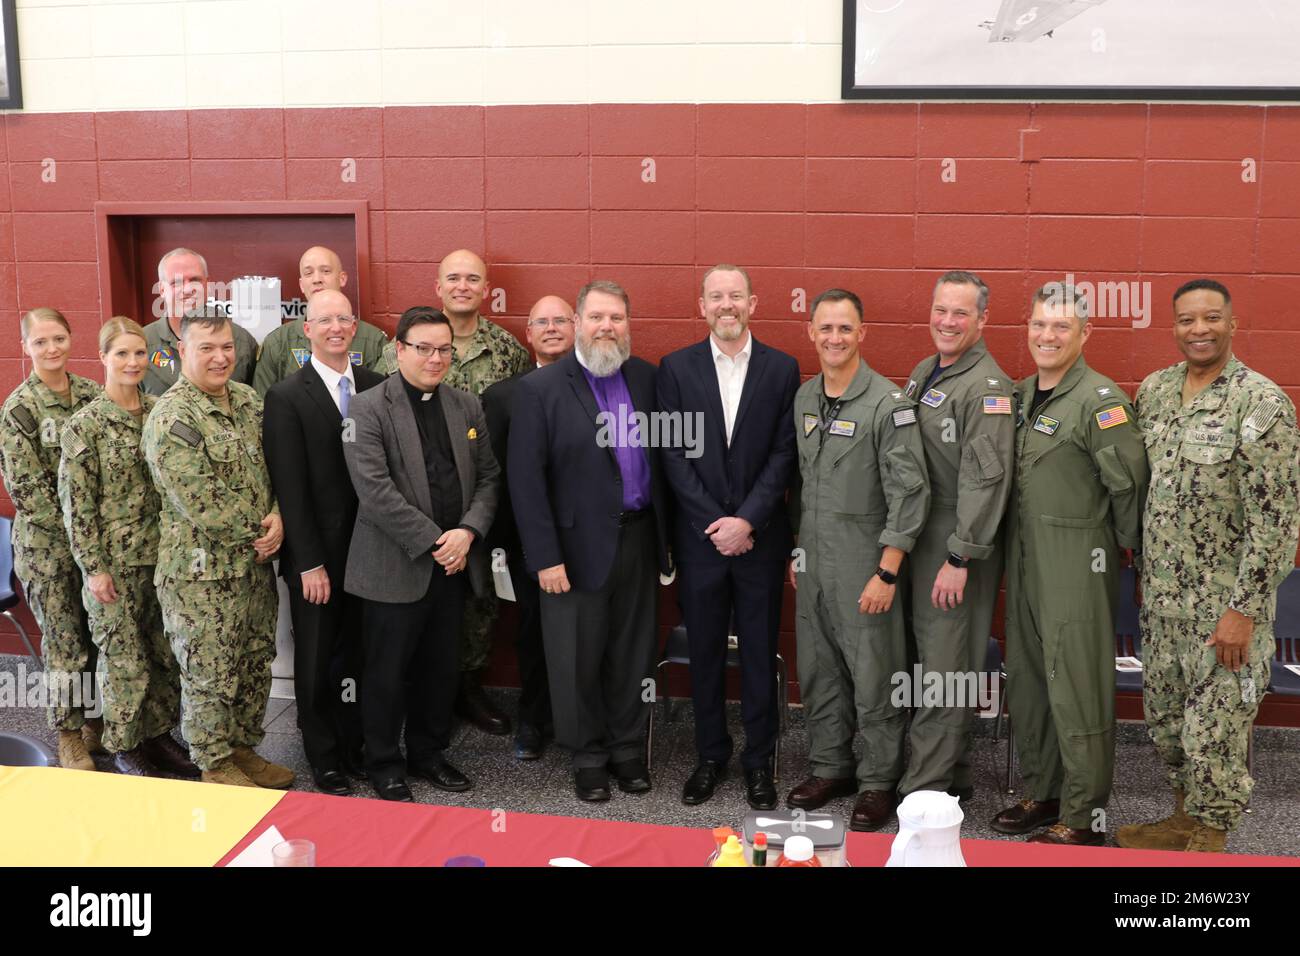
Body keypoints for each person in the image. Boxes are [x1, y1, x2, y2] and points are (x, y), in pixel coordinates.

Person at [1119, 279, 1300, 853]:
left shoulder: (1262, 403)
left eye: (1211, 318)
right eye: (1187, 320)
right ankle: (1180, 818)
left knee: (1214, 734)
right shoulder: (1154, 392)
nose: (1199, 329)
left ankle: (1210, 837)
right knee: (1168, 724)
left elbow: (1278, 522)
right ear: (1174, 326)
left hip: (1225, 611)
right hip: (1164, 605)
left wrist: (1243, 611)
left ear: (1232, 324)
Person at [991, 284, 1149, 845]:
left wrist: (1132, 563)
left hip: (1079, 562)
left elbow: (1129, 488)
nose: (1047, 336)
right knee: (1032, 682)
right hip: (1026, 559)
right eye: (1038, 325)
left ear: (1085, 333)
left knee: (1077, 685)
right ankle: (1044, 791)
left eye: (1061, 327)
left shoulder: (1099, 401)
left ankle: (1082, 816)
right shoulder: (1019, 393)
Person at [509, 280, 673, 803]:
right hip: (572, 552)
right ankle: (587, 756)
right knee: (576, 657)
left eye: (617, 318)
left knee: (632, 654)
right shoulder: (541, 389)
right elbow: (525, 481)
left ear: (628, 324)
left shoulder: (649, 379)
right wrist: (545, 558)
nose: (607, 327)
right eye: (597, 317)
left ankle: (627, 749)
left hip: (639, 540)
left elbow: (667, 465)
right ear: (578, 322)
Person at [786, 289, 930, 832]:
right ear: (812, 333)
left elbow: (910, 494)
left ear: (862, 333)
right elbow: (801, 484)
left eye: (845, 328)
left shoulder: (888, 406)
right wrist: (799, 550)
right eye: (825, 328)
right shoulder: (804, 399)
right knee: (820, 670)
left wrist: (888, 569)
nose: (834, 338)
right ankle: (831, 767)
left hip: (865, 562)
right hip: (814, 560)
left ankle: (877, 782)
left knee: (875, 674)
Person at [656, 265, 799, 810]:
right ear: (702, 307)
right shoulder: (676, 369)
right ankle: (710, 755)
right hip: (702, 542)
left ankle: (759, 762)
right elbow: (672, 453)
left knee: (761, 654)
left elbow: (785, 453)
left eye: (735, 296)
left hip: (760, 542)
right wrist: (715, 524)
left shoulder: (783, 369)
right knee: (706, 654)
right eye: (716, 297)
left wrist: (749, 521)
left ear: (753, 303)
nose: (726, 305)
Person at [342, 308, 499, 803]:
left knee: (440, 667)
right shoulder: (365, 408)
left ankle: (429, 754)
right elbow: (374, 491)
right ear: (399, 349)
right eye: (424, 348)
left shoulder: (466, 405)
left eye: (444, 349)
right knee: (386, 672)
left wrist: (468, 533)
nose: (435, 358)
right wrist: (437, 541)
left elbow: (490, 478)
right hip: (395, 565)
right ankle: (384, 762)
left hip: (455, 564)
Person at [141, 308, 288, 788]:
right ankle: (214, 764)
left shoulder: (248, 401)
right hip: (200, 577)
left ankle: (243, 748)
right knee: (210, 672)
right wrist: (260, 531)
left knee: (252, 659)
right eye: (207, 348)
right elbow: (199, 498)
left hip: (253, 567)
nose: (220, 357)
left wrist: (279, 515)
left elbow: (277, 469)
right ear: (183, 351)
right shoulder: (172, 416)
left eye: (227, 347)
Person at [58, 318, 198, 779]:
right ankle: (124, 744)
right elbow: (77, 507)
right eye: (122, 354)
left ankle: (157, 736)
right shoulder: (86, 424)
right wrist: (94, 569)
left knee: (161, 653)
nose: (134, 362)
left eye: (140, 353)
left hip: (164, 559)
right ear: (103, 358)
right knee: (123, 660)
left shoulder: (161, 411)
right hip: (114, 565)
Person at [263, 290, 386, 795]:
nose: (335, 327)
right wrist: (309, 562)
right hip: (318, 556)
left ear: (354, 327)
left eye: (343, 318)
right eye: (323, 320)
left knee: (359, 654)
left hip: (373, 551)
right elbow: (290, 488)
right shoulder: (287, 396)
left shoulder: (379, 387)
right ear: (307, 330)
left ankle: (354, 745)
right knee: (316, 658)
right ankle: (324, 755)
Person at [897, 272, 1014, 802]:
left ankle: (923, 790)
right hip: (921, 536)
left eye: (960, 313)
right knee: (932, 659)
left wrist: (960, 555)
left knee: (947, 666)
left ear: (982, 320)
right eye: (940, 309)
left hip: (957, 539)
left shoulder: (986, 388)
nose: (946, 321)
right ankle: (953, 776)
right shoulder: (927, 370)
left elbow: (985, 481)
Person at [0, 308, 102, 770]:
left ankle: (95, 722)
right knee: (65, 643)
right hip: (49, 549)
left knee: (98, 636)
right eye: (40, 342)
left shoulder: (90, 394)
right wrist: (81, 535)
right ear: (26, 347)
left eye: (58, 338)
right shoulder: (19, 408)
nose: (52, 348)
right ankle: (68, 734)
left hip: (95, 546)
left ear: (70, 337)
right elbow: (27, 490)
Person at [481, 295, 577, 760]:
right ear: (528, 332)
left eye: (562, 320)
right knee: (535, 635)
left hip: (592, 536)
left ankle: (583, 722)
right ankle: (535, 722)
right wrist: (499, 546)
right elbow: (494, 474)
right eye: (543, 321)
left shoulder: (600, 386)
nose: (553, 328)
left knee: (589, 636)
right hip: (529, 541)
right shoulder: (502, 396)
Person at [252, 246, 390, 396]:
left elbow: (382, 402)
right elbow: (262, 408)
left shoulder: (373, 341)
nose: (317, 279)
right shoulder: (277, 342)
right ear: (301, 284)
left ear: (342, 278)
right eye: (308, 273)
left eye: (325, 271)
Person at [142, 248, 258, 395]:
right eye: (176, 283)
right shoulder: (142, 344)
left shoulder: (242, 341)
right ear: (162, 289)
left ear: (208, 285)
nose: (188, 289)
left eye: (195, 280)